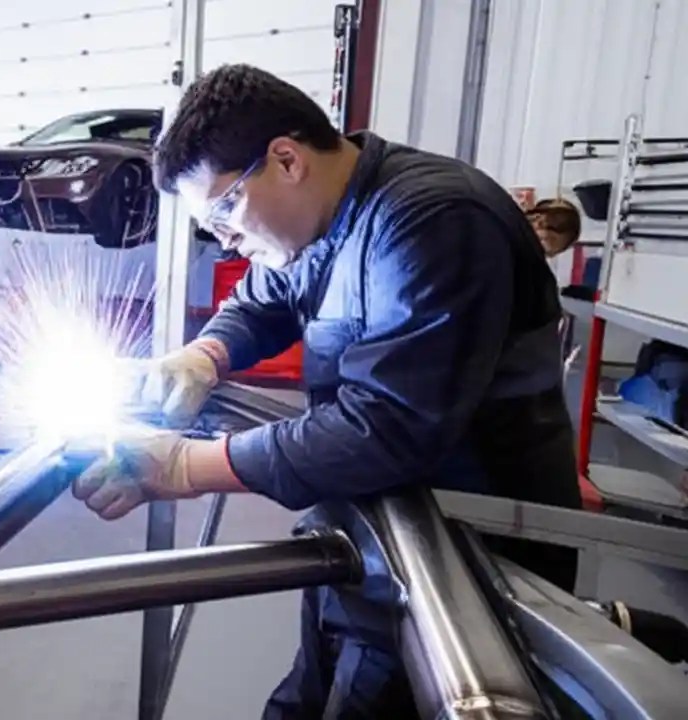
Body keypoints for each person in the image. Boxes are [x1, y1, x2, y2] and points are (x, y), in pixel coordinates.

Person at [70, 64, 582, 718]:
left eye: (224, 210)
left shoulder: (433, 221)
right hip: (366, 536)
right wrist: (204, 355)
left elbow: (386, 429)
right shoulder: (325, 217)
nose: (221, 237)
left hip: (466, 570)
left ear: (286, 159)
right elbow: (267, 296)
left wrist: (184, 466)